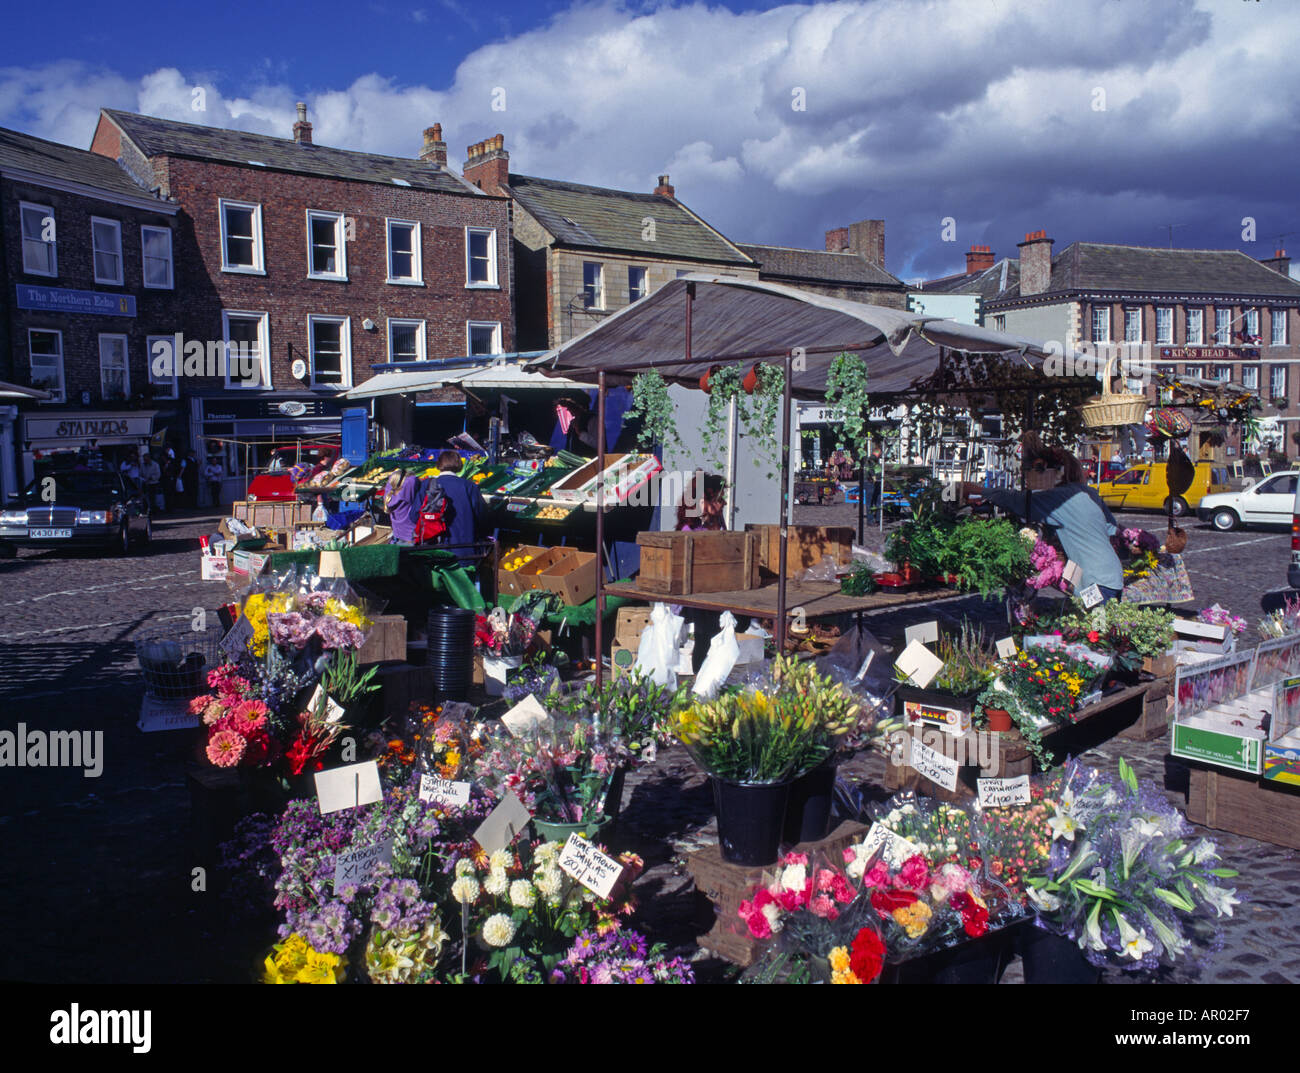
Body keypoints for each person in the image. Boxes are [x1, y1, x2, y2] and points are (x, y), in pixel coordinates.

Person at [964, 442, 1124, 601]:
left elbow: (1018, 501)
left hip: (1096, 582)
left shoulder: (1060, 497)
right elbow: (1112, 529)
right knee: (1095, 623)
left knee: (1096, 624)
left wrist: (979, 491)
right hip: (1111, 575)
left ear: (1054, 473)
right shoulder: (1088, 493)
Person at [432, 450, 488, 565]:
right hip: (464, 550)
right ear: (459, 465)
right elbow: (482, 516)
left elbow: (414, 516)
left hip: (433, 550)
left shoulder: (427, 485)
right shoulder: (469, 486)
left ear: (439, 465)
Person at [384, 469, 424, 546]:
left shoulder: (389, 496)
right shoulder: (406, 494)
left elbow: (391, 482)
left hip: (397, 536)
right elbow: (412, 480)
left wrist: (398, 474)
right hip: (411, 537)